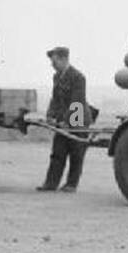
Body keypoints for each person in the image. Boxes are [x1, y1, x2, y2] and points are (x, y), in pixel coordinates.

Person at [38, 46, 90, 193]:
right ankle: (50, 184)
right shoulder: (57, 76)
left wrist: (68, 122)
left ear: (63, 59)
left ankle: (71, 185)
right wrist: (50, 115)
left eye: (54, 62)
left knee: (76, 153)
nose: (52, 65)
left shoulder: (78, 77)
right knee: (57, 152)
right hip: (63, 120)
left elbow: (77, 101)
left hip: (78, 119)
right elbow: (55, 99)